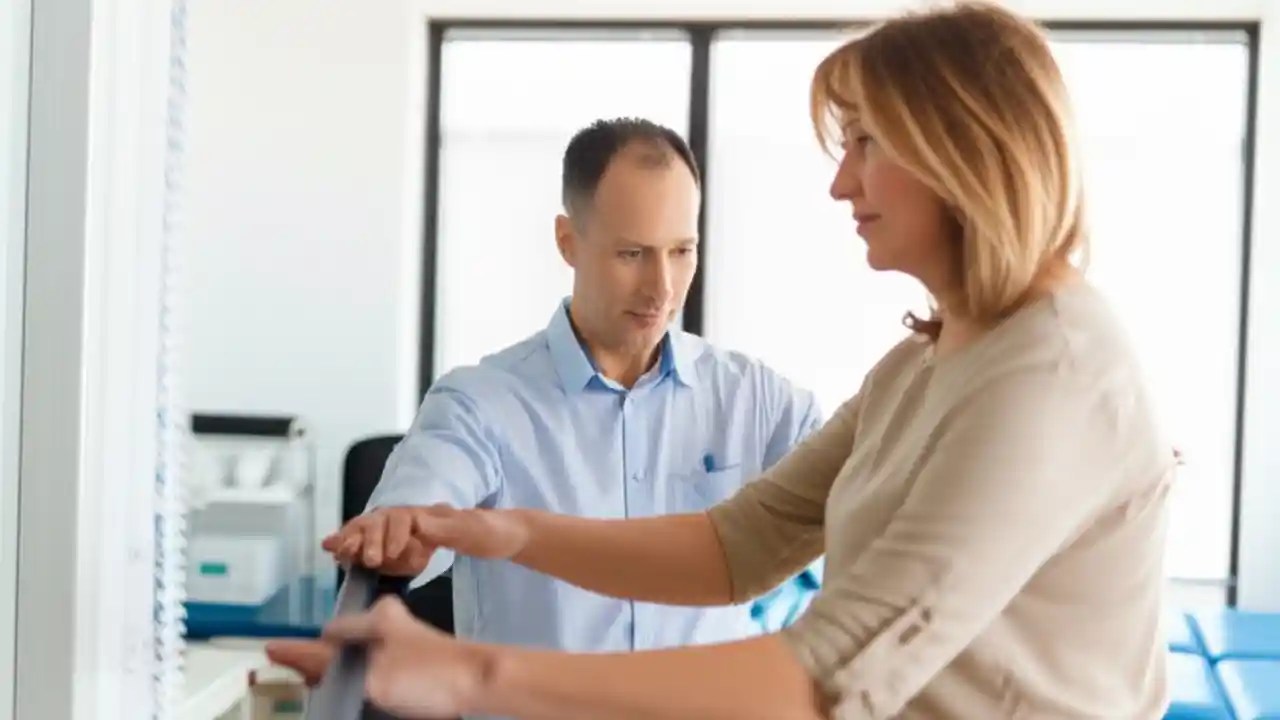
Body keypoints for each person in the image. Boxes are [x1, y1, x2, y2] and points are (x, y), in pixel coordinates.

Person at [268, 4, 1176, 718]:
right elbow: (737, 543)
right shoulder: (924, 362)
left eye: (865, 144)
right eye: (630, 251)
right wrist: (510, 533)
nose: (840, 182)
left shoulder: (1052, 376)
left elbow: (834, 673)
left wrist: (471, 674)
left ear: (962, 152)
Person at [325, 118, 823, 658]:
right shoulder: (481, 404)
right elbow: (419, 507)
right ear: (568, 241)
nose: (662, 288)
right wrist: (401, 532)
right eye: (632, 254)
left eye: (681, 251)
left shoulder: (761, 402)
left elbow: (864, 509)